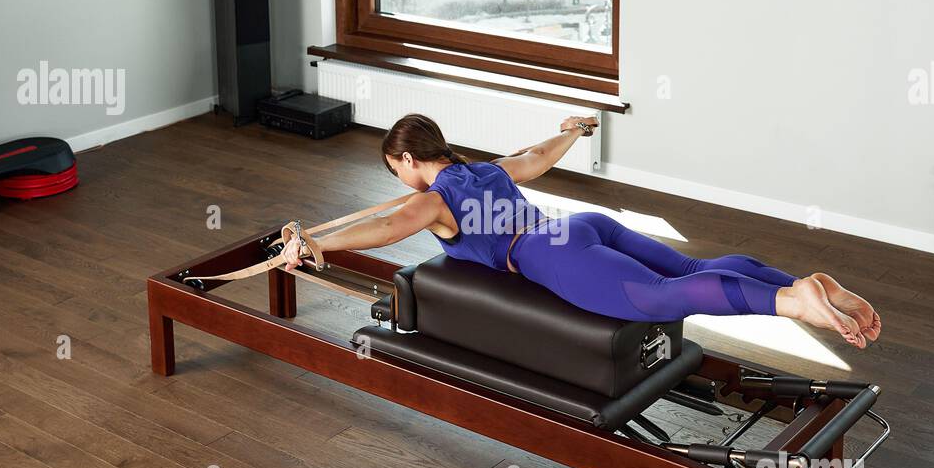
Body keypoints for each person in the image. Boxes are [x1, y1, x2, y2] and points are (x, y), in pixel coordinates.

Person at [283, 114, 880, 348]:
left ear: (409, 161)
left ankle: (792, 301)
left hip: (548, 253)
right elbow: (540, 156)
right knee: (692, 269)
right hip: (583, 227)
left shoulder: (435, 199)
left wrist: (315, 244)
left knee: (658, 298)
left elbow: (387, 227)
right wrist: (572, 130)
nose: (402, 181)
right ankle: (800, 281)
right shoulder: (488, 168)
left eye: (397, 170)